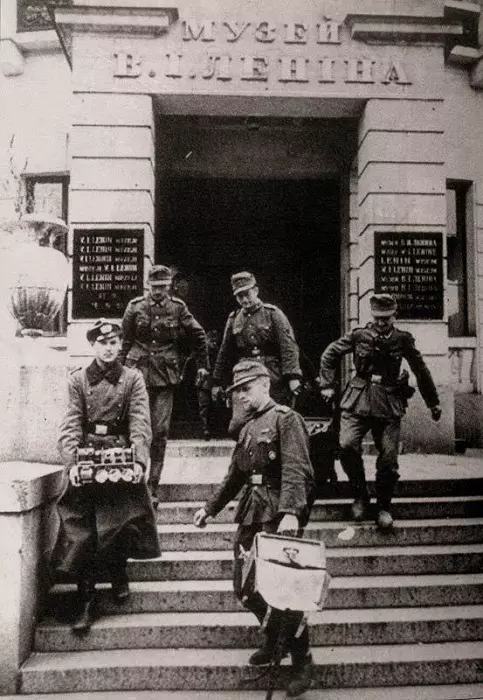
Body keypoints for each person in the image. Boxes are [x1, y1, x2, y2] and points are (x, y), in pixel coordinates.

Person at [194, 359, 315, 698]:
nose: (241, 396)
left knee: (285, 589)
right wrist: (209, 508)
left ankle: (301, 658)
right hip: (250, 511)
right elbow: (235, 476)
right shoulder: (246, 428)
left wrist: (291, 512)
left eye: (246, 389)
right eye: (237, 391)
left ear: (265, 384)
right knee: (244, 587)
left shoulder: (286, 420)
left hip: (278, 513)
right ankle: (276, 637)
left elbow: (296, 469)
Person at [52, 319, 160, 636]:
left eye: (114, 342)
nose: (110, 348)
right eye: (103, 343)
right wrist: (71, 461)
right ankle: (86, 601)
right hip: (88, 458)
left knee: (119, 522)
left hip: (119, 457)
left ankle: (118, 570)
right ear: (94, 346)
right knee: (83, 529)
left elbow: (141, 421)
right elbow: (71, 423)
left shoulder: (132, 379)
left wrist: (140, 458)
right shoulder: (79, 380)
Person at [319, 293, 442, 530]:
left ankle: (384, 506)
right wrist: (326, 384)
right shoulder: (358, 335)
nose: (381, 323)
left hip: (388, 402)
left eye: (386, 318)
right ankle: (360, 495)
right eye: (377, 318)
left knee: (388, 458)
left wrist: (433, 402)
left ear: (394, 316)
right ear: (372, 316)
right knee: (346, 445)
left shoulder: (403, 340)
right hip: (358, 399)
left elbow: (420, 369)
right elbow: (330, 353)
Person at [120, 265, 209, 505]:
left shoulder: (178, 308)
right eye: (154, 287)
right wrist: (116, 375)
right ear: (147, 285)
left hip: (164, 377)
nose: (158, 292)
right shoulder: (135, 307)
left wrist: (202, 365)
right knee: (136, 429)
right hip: (136, 374)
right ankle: (135, 483)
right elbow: (125, 341)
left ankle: (152, 486)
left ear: (169, 286)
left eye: (163, 287)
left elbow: (198, 335)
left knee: (159, 431)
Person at [211, 271, 302, 434]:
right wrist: (217, 381)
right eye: (239, 296)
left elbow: (288, 347)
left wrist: (293, 377)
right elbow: (225, 352)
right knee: (237, 426)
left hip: (271, 378)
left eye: (247, 294)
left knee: (274, 424)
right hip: (244, 378)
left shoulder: (273, 314)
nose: (244, 300)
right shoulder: (233, 319)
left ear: (256, 290)